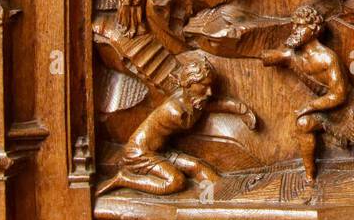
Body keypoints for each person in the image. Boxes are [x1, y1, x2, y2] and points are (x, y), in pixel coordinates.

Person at [261, 4, 354, 201]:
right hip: (325, 107)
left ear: (314, 29)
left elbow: (339, 95)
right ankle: (310, 180)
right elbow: (266, 56)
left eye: (300, 26)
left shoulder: (328, 58)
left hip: (348, 106)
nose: (295, 31)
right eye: (294, 26)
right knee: (303, 124)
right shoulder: (293, 55)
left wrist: (309, 106)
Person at [96, 56, 256, 196]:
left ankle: (229, 193)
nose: (209, 92)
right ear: (188, 84)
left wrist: (241, 110)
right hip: (139, 154)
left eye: (210, 86)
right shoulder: (176, 112)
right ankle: (125, 179)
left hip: (161, 150)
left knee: (198, 166)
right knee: (176, 181)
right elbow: (205, 110)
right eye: (203, 86)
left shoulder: (191, 100)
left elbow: (209, 105)